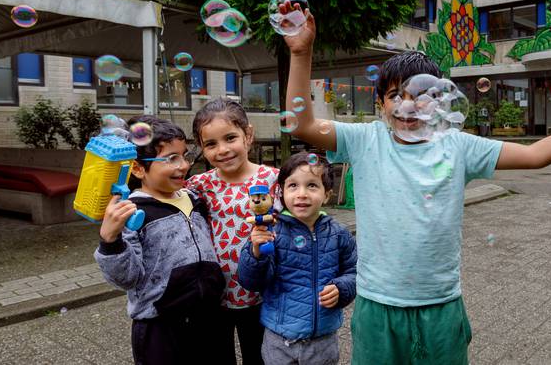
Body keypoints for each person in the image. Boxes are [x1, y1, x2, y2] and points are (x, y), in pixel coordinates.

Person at [279, 2, 551, 364]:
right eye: (396, 95)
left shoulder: (458, 146)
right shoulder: (365, 140)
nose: (407, 105)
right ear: (381, 104)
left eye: (420, 95)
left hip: (441, 306)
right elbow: (301, 123)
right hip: (378, 305)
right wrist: (300, 52)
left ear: (439, 101)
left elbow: (538, 154)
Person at [94, 117, 231, 365]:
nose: (184, 166)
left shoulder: (195, 199)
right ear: (137, 168)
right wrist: (110, 240)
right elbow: (127, 278)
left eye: (185, 155)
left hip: (210, 317)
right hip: (161, 326)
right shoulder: (132, 212)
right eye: (171, 158)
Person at [237, 151, 357, 365]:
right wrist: (255, 252)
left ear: (327, 194)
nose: (302, 194)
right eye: (293, 186)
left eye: (312, 185)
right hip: (279, 339)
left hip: (323, 340)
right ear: (281, 193)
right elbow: (251, 282)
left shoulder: (339, 234)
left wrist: (342, 288)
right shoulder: (270, 231)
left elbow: (354, 272)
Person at [187, 99, 280, 365]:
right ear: (202, 148)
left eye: (230, 138)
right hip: (215, 297)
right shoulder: (198, 185)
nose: (223, 150)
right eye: (211, 144)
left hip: (263, 294)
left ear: (248, 135)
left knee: (260, 357)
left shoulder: (274, 180)